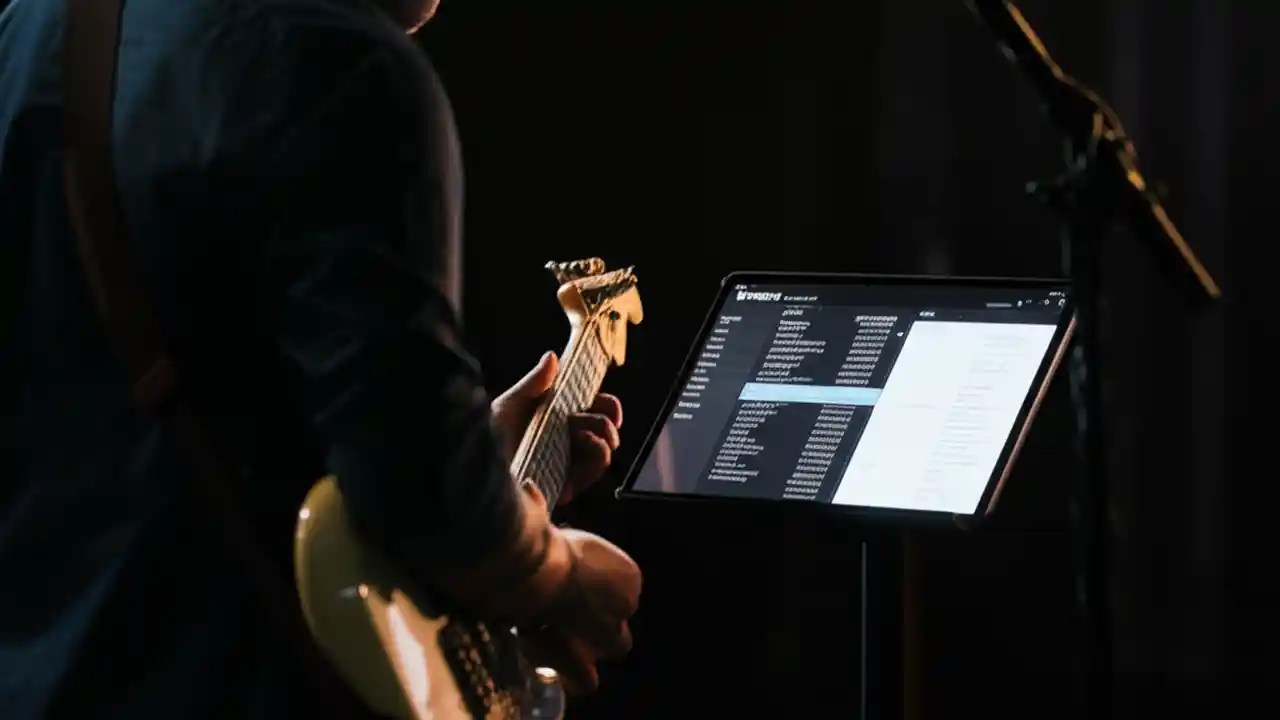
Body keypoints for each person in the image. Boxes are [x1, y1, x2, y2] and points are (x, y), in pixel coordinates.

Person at [0, 0, 642, 717]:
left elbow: (124, 418)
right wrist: (555, 571)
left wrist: (468, 447)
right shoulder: (342, 63)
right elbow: (421, 494)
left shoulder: (30, 30)